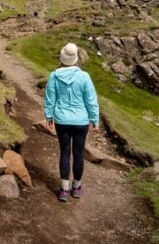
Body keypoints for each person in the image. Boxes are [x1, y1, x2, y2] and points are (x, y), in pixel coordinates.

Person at [43, 42, 99, 202]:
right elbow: (91, 100)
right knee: (79, 153)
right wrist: (94, 118)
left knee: (65, 152)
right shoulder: (84, 76)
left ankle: (64, 190)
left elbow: (50, 98)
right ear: (75, 58)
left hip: (62, 120)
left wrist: (49, 116)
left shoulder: (54, 76)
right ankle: (77, 187)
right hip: (81, 121)